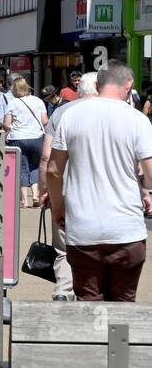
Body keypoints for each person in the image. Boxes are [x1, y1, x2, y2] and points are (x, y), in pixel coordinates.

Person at [48, 61, 152, 302]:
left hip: (83, 230)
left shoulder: (71, 115)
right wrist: (145, 191)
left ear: (97, 84)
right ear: (129, 85)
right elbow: (150, 173)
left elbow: (53, 170)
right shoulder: (137, 120)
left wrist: (59, 209)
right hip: (126, 232)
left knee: (89, 303)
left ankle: (92, 336)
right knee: (123, 306)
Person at [40, 71, 98, 301]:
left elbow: (46, 157)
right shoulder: (115, 113)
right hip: (99, 191)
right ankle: (91, 292)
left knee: (64, 248)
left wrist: (45, 191)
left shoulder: (62, 113)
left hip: (64, 189)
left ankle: (64, 291)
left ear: (78, 91)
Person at [2, 76, 48, 208]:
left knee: (22, 168)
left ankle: (24, 200)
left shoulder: (13, 103)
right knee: (35, 166)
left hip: (18, 139)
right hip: (36, 138)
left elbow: (7, 124)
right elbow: (45, 121)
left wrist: (8, 129)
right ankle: (34, 195)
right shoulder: (38, 101)